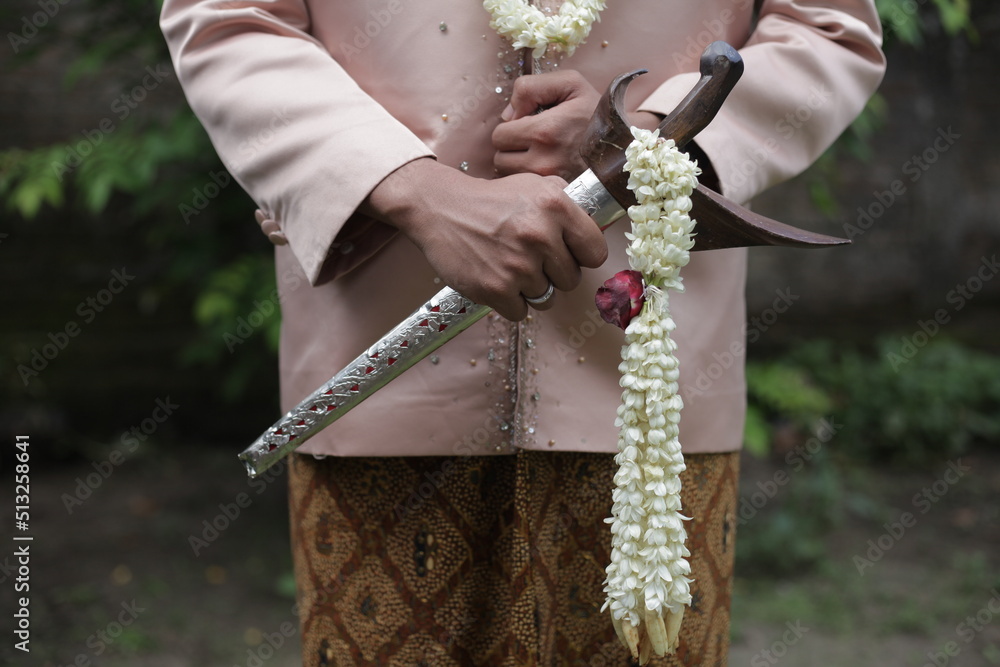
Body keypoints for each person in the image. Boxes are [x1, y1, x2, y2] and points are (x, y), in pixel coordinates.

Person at [161, 1, 885, 664]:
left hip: (651, 414)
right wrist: (414, 189)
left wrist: (637, 140)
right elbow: (230, 21)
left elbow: (829, 30)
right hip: (377, 381)